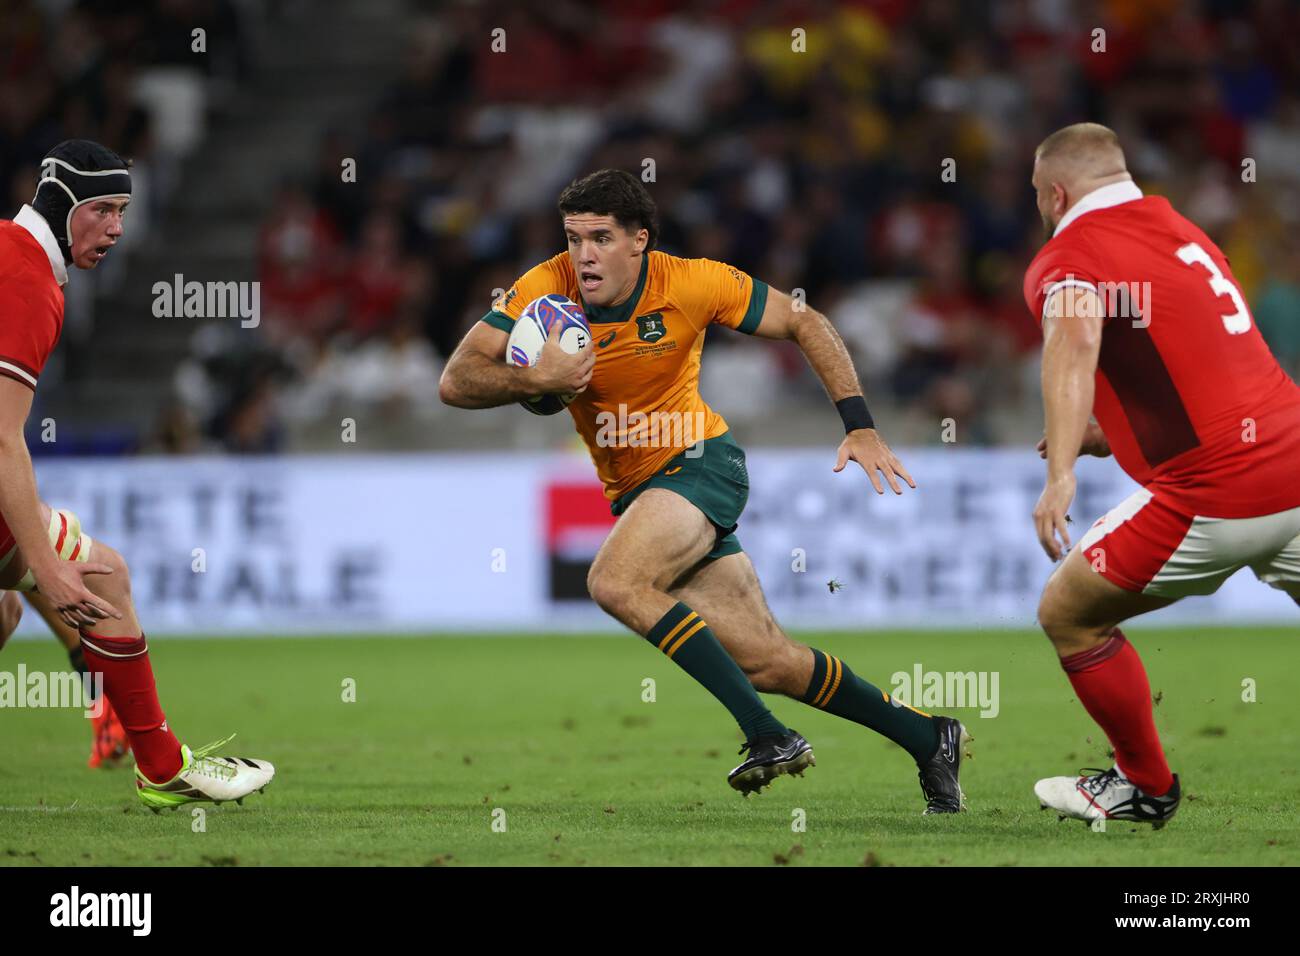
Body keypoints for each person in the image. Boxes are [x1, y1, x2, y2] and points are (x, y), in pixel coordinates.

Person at [440, 169, 970, 812]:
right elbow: (457, 379)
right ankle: (928, 736)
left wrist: (859, 426)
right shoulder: (543, 289)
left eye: (601, 238)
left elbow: (805, 321)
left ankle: (767, 734)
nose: (583, 255)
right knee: (767, 663)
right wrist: (533, 379)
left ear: (640, 241)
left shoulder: (692, 281)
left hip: (700, 464)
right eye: (574, 238)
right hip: (639, 491)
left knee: (614, 581)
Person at [1024, 123, 1300, 826]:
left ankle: (1144, 784)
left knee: (1069, 614)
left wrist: (1059, 474)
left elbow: (1075, 340)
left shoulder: (1071, 253)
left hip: (1220, 496)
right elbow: (1202, 370)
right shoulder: (1184, 232)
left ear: (1056, 194)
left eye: (1036, 194)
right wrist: (1105, 435)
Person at [0, 140, 274, 811]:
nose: (117, 227)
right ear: (61, 204)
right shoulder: (28, 282)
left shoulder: (14, 253)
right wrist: (46, 560)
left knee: (7, 603)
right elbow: (1, 440)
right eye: (103, 209)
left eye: (123, 210)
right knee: (102, 574)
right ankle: (163, 766)